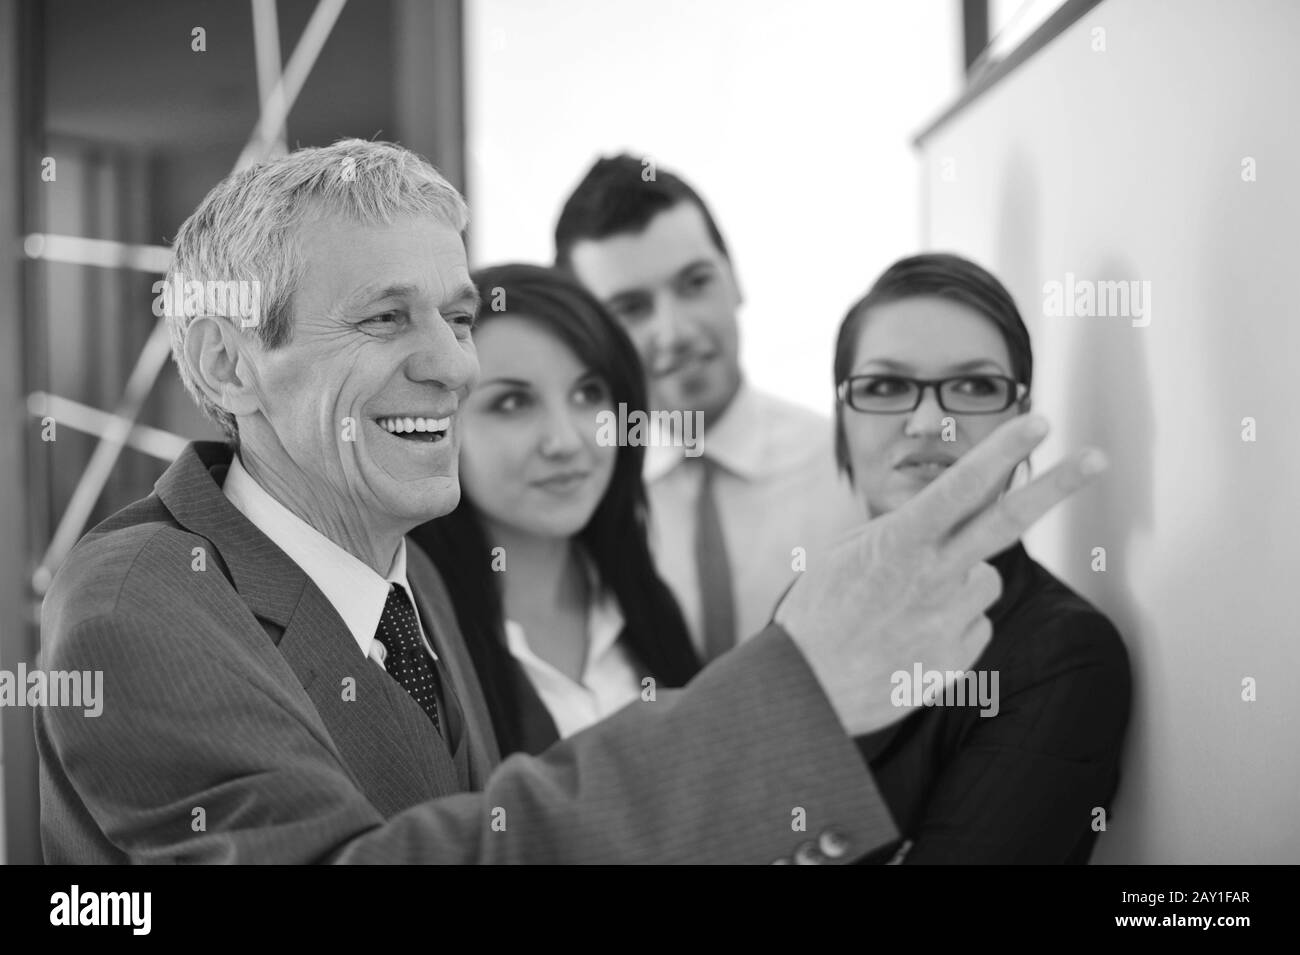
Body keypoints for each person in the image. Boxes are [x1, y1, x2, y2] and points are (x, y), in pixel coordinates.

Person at [35, 139, 1103, 864]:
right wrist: (792, 695)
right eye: (383, 321)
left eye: (455, 317)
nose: (449, 366)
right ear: (228, 365)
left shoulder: (402, 581)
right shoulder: (139, 600)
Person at [834, 253, 1132, 863]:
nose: (927, 422)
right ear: (842, 416)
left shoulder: (1063, 654)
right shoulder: (814, 603)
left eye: (974, 386)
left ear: (1019, 415)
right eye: (885, 386)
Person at [554, 156, 862, 661]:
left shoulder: (847, 471)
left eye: (695, 283)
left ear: (735, 278)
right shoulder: (575, 497)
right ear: (592, 333)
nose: (675, 334)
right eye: (632, 309)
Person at [411, 264, 700, 756]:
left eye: (588, 394)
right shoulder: (416, 637)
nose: (565, 441)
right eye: (511, 404)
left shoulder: (648, 600)